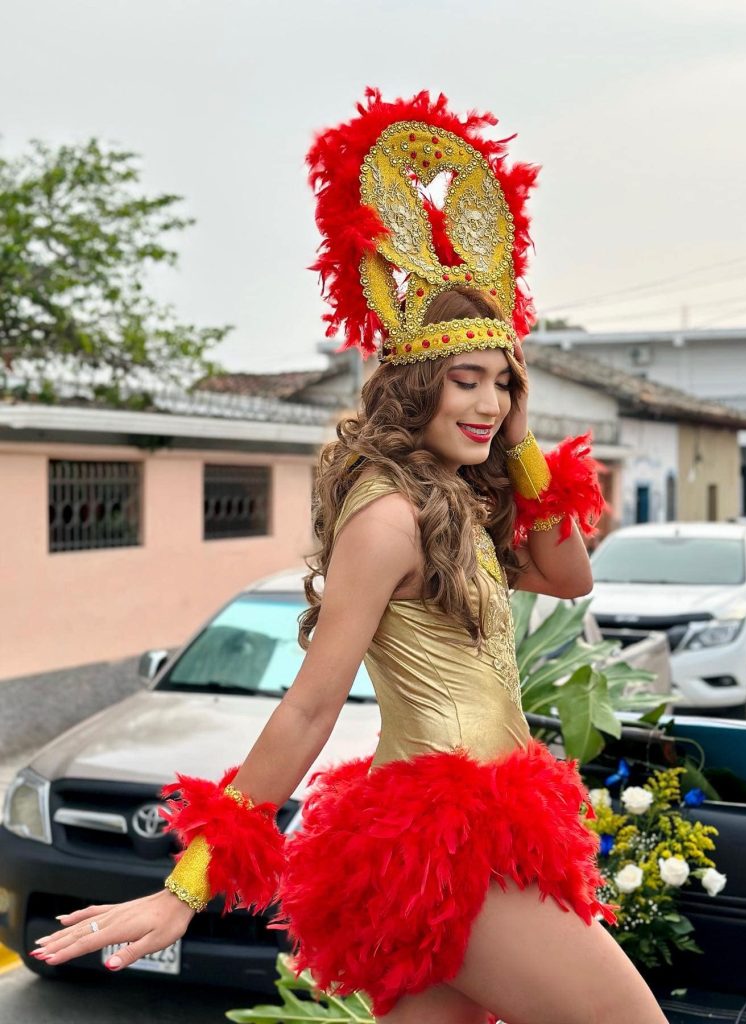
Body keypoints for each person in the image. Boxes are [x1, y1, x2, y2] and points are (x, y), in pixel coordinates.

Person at [32, 90, 668, 1024]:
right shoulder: (387, 520)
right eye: (466, 381)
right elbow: (310, 705)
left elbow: (570, 576)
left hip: (488, 829)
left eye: (503, 384)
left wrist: (521, 435)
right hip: (455, 848)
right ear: (416, 384)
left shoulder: (451, 505)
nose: (488, 404)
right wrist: (188, 886)